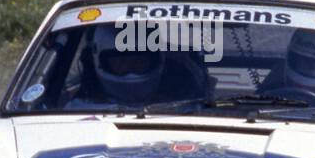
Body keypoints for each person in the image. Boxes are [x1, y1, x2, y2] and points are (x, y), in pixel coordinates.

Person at [64, 24, 210, 110]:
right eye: (121, 62)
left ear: (157, 60)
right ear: (98, 61)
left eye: (139, 61)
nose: (130, 69)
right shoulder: (74, 110)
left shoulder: (188, 107)